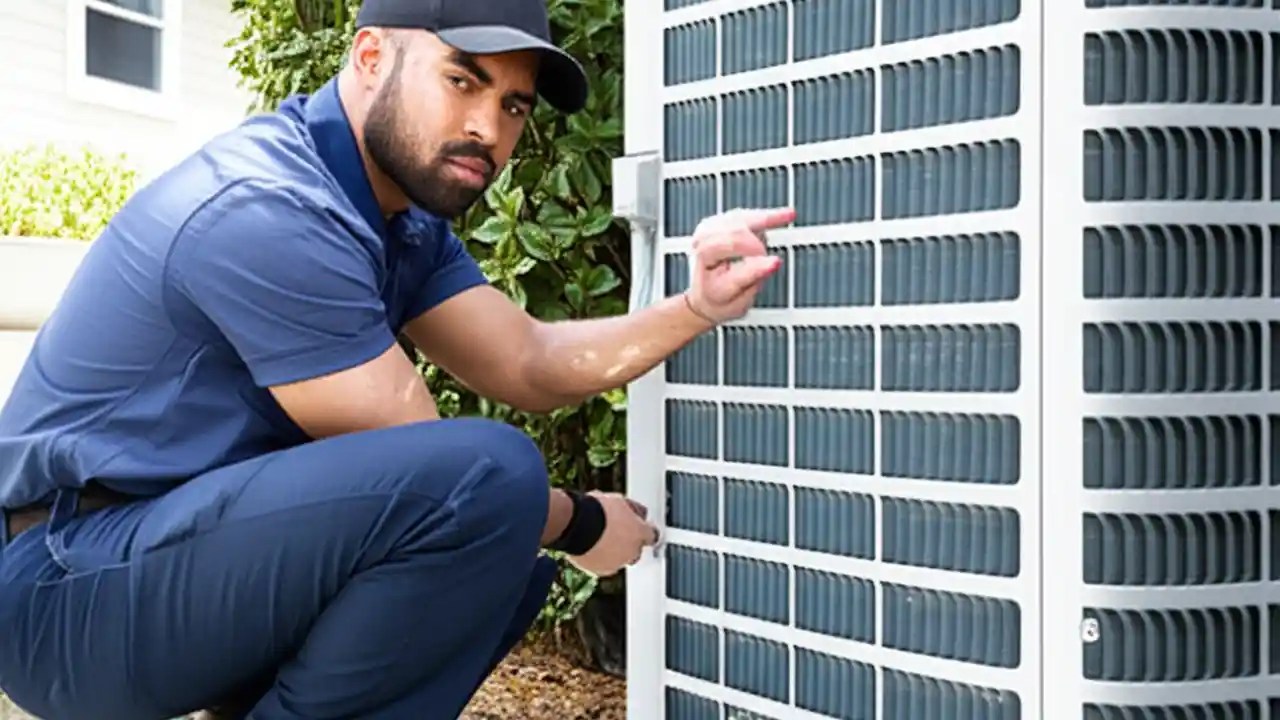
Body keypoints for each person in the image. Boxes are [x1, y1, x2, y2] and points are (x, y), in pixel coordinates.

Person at [0, 0, 795, 717]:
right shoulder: (269, 206)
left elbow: (525, 360)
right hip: (67, 593)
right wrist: (583, 521)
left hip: (169, 566)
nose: (489, 126)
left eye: (512, 104)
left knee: (492, 559)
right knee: (492, 488)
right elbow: (413, 455)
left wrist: (695, 307)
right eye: (462, 80)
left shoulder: (395, 219)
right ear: (371, 56)